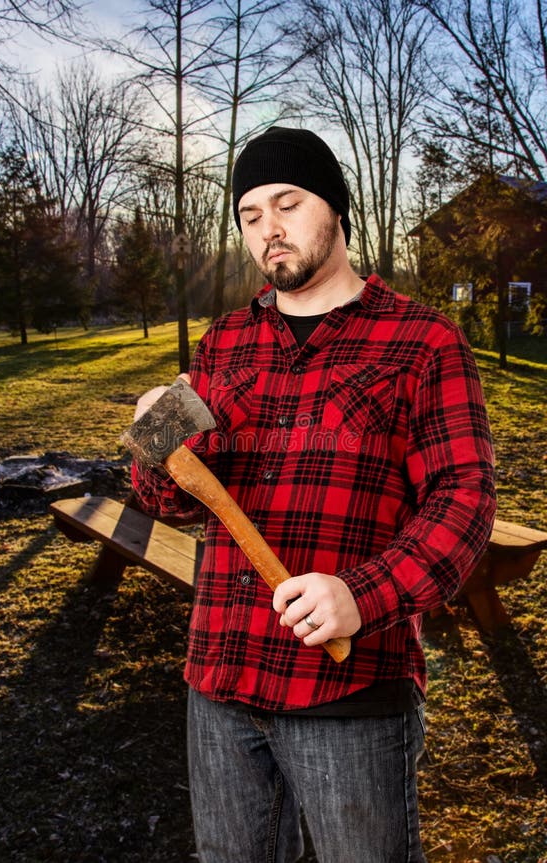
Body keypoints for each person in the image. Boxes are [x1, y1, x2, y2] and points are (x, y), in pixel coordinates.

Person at [131, 126, 496, 863]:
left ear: (334, 208)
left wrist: (363, 593)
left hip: (349, 692)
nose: (270, 228)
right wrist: (150, 444)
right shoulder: (224, 342)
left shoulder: (423, 343)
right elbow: (172, 500)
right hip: (221, 678)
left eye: (288, 203)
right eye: (251, 214)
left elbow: (463, 502)